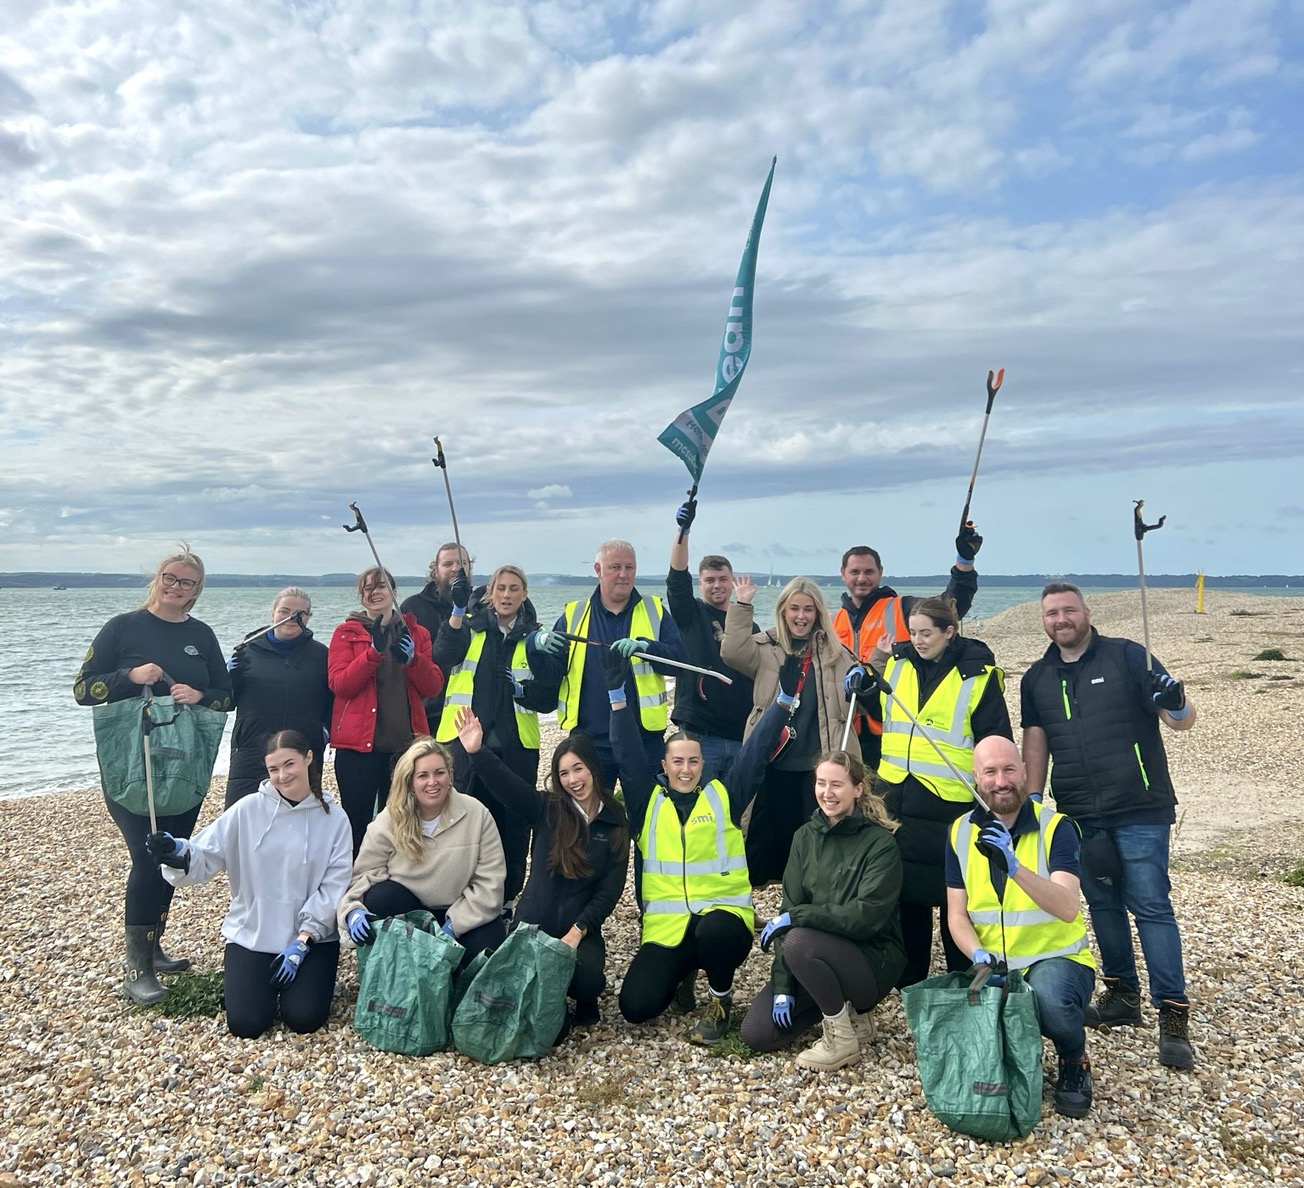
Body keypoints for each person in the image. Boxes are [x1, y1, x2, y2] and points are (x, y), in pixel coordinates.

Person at [1020, 582, 1198, 1070]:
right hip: (1079, 811)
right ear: (1043, 620)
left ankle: (1173, 1014)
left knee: (1151, 905)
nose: (1061, 619)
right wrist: (1033, 801)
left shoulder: (1127, 657)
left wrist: (1177, 702)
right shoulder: (1036, 678)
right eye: (1052, 613)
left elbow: (1181, 720)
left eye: (1069, 610)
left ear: (1087, 612)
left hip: (1140, 805)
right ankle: (1122, 996)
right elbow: (1035, 741)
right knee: (1101, 904)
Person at [73, 545, 232, 1004]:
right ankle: (136, 968)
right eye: (170, 577)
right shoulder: (123, 627)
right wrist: (130, 676)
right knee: (147, 856)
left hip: (184, 763)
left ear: (196, 591)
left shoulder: (201, 635)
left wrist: (198, 694)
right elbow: (84, 689)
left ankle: (154, 946)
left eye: (187, 582)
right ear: (156, 578)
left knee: (169, 855)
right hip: (131, 764)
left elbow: (227, 695)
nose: (176, 586)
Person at [611, 649, 788, 1045]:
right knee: (635, 1007)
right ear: (665, 764)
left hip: (721, 919)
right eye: (678, 762)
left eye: (693, 761)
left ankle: (720, 999)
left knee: (716, 934)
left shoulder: (725, 796)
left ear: (702, 764)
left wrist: (784, 701)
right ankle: (683, 973)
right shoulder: (646, 802)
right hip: (669, 929)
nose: (686, 769)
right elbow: (625, 754)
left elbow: (757, 751)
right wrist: (616, 695)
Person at [147, 730, 353, 1038]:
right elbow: (204, 854)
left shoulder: (335, 819)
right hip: (253, 933)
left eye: (290, 764)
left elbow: (335, 886)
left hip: (310, 940)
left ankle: (303, 982)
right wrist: (176, 852)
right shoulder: (247, 810)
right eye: (273, 769)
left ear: (309, 758)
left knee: (305, 1018)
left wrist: (303, 941)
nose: (282, 775)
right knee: (247, 1023)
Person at [945, 736, 1097, 1118]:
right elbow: (956, 916)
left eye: (1009, 769)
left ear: (1026, 772)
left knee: (1048, 1001)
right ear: (975, 778)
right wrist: (976, 955)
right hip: (995, 965)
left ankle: (1073, 1059)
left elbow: (1066, 907)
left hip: (1057, 959)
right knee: (969, 1033)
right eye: (990, 772)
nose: (1001, 781)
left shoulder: (1057, 828)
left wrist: (1015, 868)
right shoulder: (959, 832)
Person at [455, 708, 629, 1031]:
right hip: (533, 925)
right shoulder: (548, 809)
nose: (573, 780)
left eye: (579, 769)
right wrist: (477, 753)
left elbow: (610, 890)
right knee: (526, 1004)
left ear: (593, 767)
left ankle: (582, 996)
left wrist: (579, 931)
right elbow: (509, 788)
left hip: (577, 929)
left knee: (587, 980)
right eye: (564, 774)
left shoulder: (616, 820)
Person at [870, 596, 1011, 986]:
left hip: (950, 803)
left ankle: (961, 974)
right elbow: (883, 711)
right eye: (912, 632)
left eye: (926, 633)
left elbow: (995, 740)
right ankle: (908, 976)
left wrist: (999, 800)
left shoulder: (978, 677)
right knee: (907, 894)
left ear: (950, 632)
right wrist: (865, 684)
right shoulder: (897, 666)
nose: (917, 640)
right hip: (897, 796)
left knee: (955, 894)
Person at [740, 747, 905, 1070]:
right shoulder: (805, 837)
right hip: (814, 955)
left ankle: (841, 1039)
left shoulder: (880, 843)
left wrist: (797, 917)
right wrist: (784, 985)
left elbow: (866, 918)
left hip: (869, 959)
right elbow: (790, 906)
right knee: (758, 1034)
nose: (827, 793)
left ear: (857, 789)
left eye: (837, 785)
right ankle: (840, 1010)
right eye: (821, 783)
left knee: (800, 939)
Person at [433, 564, 563, 914]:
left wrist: (527, 686)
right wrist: (458, 610)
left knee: (514, 823)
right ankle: (454, 895)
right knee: (459, 819)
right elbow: (442, 654)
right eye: (500, 588)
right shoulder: (470, 629)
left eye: (514, 589)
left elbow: (549, 697)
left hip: (516, 747)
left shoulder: (535, 636)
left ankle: (505, 899)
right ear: (490, 592)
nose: (506, 595)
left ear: (524, 594)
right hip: (464, 743)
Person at [720, 575, 859, 888]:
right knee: (777, 840)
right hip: (776, 763)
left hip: (819, 765)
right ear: (783, 611)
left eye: (808, 609)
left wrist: (877, 658)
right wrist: (742, 605)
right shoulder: (767, 647)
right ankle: (785, 899)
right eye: (794, 608)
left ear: (818, 613)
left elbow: (859, 688)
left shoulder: (835, 652)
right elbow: (732, 652)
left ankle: (814, 896)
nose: (801, 616)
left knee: (821, 838)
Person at [339, 735, 507, 970]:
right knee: (380, 897)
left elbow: (490, 881)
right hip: (410, 913)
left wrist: (453, 926)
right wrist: (352, 911)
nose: (433, 782)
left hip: (461, 915)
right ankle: (400, 970)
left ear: (450, 774)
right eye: (422, 775)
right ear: (409, 782)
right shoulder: (390, 819)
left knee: (489, 950)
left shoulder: (477, 814)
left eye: (440, 772)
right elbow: (365, 874)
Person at [538, 538, 688, 787]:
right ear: (598, 570)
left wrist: (648, 647)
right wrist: (535, 647)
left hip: (644, 741)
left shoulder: (655, 611)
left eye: (629, 568)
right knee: (593, 820)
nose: (623, 575)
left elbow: (681, 662)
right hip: (590, 742)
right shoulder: (573, 614)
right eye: (615, 567)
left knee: (648, 817)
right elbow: (552, 673)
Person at [833, 526, 982, 768]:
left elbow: (951, 608)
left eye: (869, 571)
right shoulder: (831, 621)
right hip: (844, 734)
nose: (862, 578)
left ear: (880, 572)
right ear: (843, 574)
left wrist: (964, 562)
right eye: (855, 572)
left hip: (892, 732)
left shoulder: (903, 608)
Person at [328, 566, 444, 856]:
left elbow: (433, 686)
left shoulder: (416, 633)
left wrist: (413, 660)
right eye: (367, 588)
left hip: (404, 747)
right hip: (358, 748)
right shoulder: (346, 633)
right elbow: (340, 684)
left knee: (402, 821)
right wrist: (372, 654)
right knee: (357, 822)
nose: (374, 592)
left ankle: (396, 883)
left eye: (381, 586)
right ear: (360, 596)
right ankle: (354, 886)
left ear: (394, 592)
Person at [665, 498, 757, 783]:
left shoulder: (748, 624)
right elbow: (677, 579)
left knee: (735, 816)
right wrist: (684, 531)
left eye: (722, 579)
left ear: (732, 582)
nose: (717, 585)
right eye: (709, 580)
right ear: (700, 584)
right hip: (701, 735)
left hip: (742, 735)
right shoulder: (690, 614)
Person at [225, 587, 332, 807]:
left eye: (300, 613)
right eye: (285, 611)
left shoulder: (322, 655)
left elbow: (334, 701)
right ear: (272, 613)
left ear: (308, 619)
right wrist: (227, 678)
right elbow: (227, 701)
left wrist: (325, 732)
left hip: (302, 750)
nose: (292, 617)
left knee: (298, 818)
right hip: (251, 748)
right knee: (241, 816)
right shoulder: (247, 651)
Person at [401, 542, 474, 729]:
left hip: (470, 710)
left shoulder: (479, 606)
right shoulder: (413, 607)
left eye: (462, 563)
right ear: (435, 571)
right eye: (448, 564)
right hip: (427, 711)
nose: (456, 569)